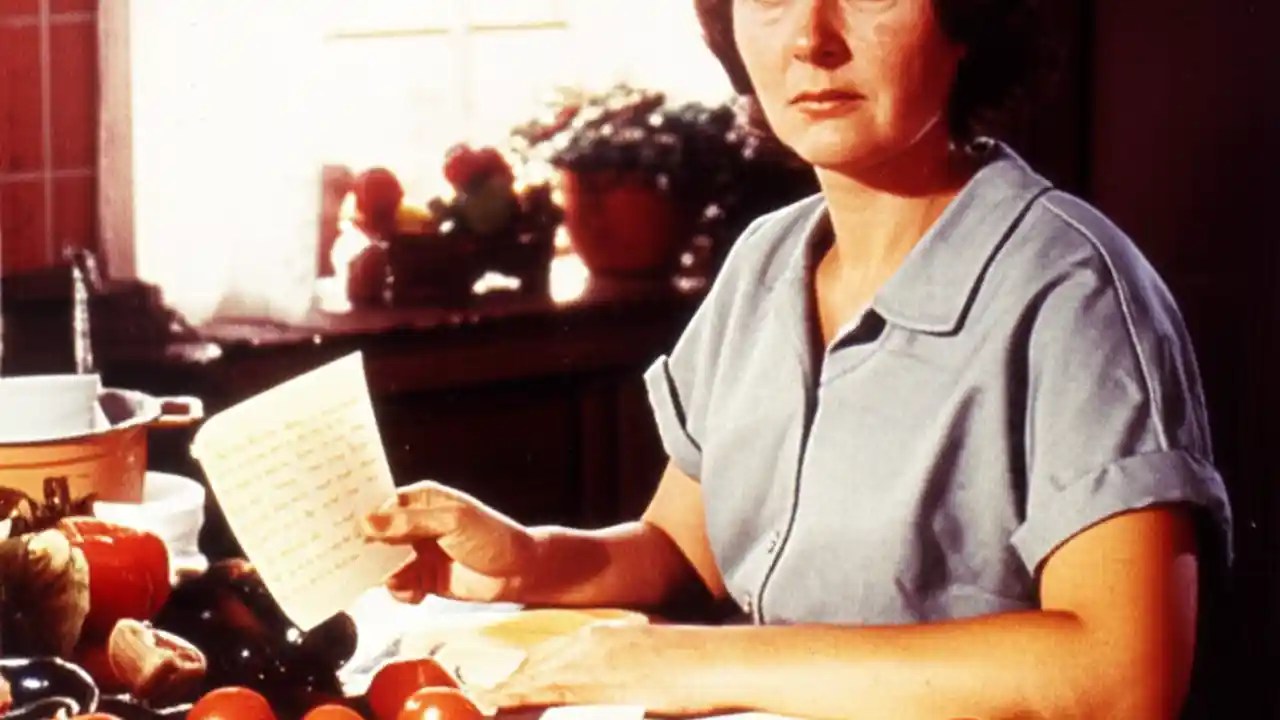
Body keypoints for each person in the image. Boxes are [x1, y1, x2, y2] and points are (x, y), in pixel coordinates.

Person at [361, 0, 1233, 717]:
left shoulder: (1072, 289)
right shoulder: (765, 262)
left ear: (968, 20)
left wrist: (700, 666)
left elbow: (1125, 676)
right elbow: (677, 550)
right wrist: (528, 557)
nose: (813, 39)